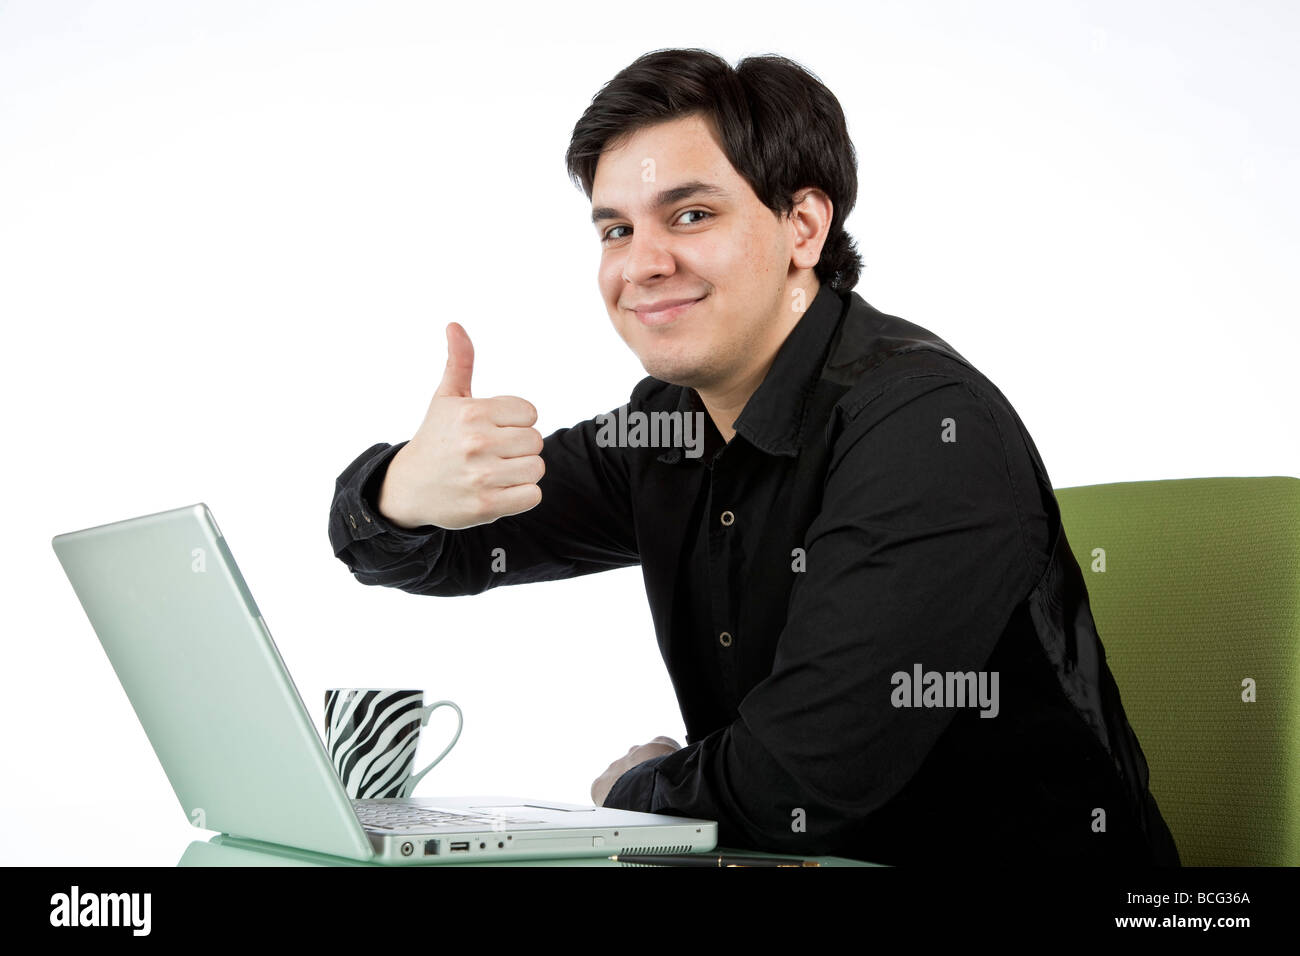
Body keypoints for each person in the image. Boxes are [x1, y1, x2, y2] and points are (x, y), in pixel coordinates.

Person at [328, 48, 1180, 865]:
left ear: (803, 226)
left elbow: (799, 779)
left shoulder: (924, 430)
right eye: (615, 230)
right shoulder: (669, 426)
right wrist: (405, 491)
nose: (643, 264)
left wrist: (635, 787)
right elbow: (438, 549)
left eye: (690, 216)